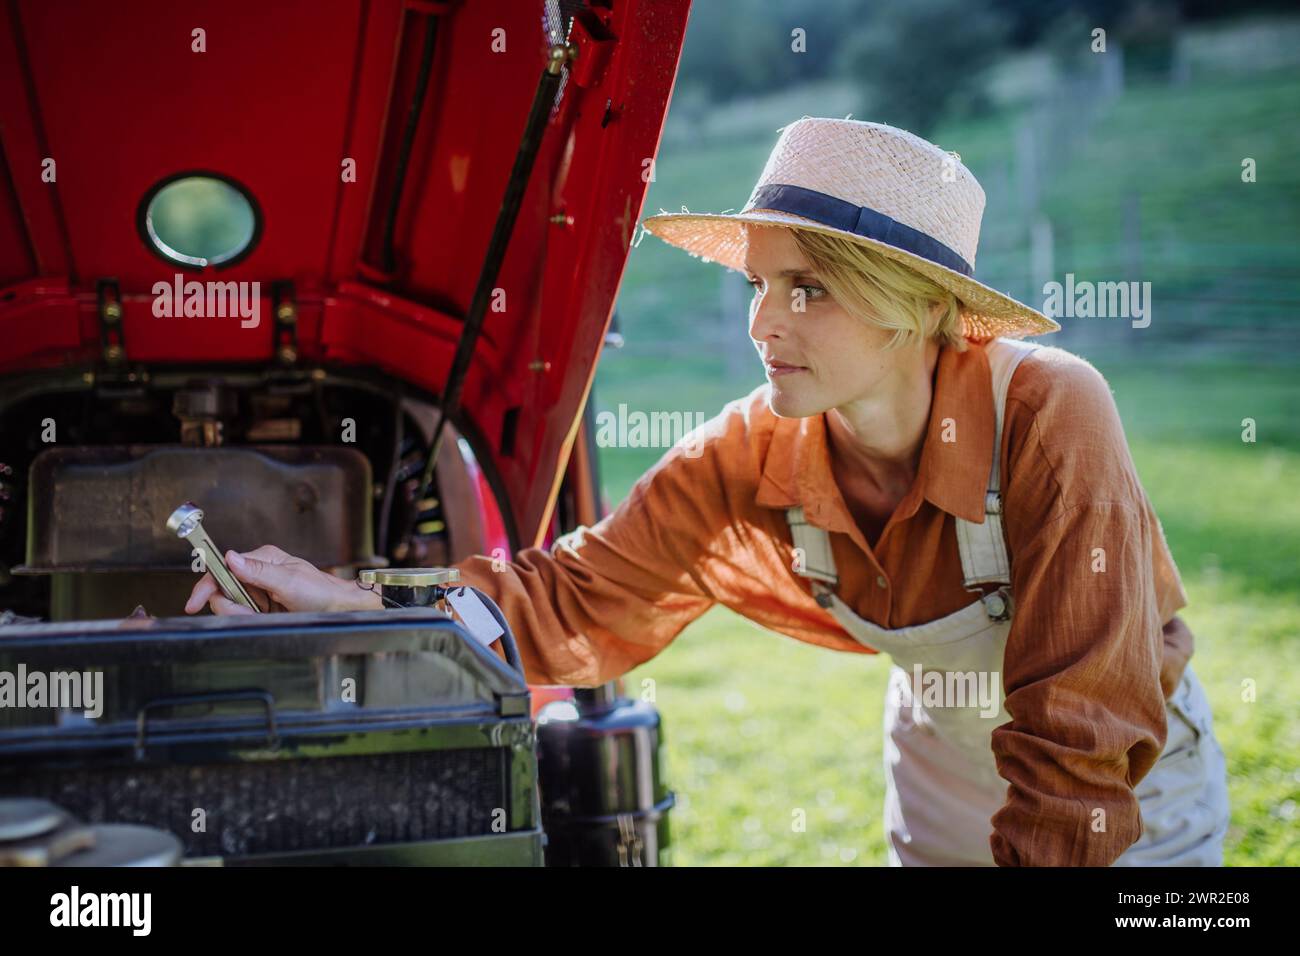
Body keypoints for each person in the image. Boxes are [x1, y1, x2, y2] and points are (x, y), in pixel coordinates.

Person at [185, 117, 1230, 867]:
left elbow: (1081, 725)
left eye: (806, 289)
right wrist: (361, 602)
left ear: (914, 307)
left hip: (1121, 780)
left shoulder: (1050, 409)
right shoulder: (755, 444)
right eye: (757, 286)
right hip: (941, 759)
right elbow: (568, 598)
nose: (761, 326)